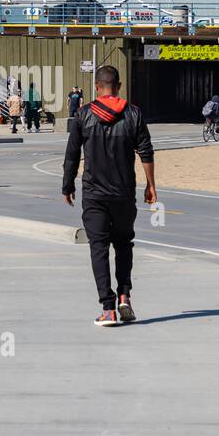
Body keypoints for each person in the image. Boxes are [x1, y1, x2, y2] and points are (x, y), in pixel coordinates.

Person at [61, 64, 156, 328]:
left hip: (95, 194)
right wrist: (151, 186)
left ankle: (108, 309)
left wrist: (67, 185)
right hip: (124, 193)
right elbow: (146, 152)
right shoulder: (134, 114)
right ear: (119, 86)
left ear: (96, 87)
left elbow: (71, 155)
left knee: (99, 248)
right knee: (124, 244)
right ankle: (125, 295)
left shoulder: (83, 115)